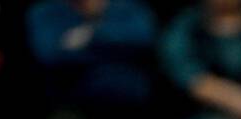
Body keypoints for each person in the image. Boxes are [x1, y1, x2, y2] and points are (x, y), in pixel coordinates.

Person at [27, 0, 157, 107]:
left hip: (130, 97)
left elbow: (144, 39)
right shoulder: (45, 12)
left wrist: (91, 37)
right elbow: (49, 54)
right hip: (69, 100)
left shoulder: (128, 7)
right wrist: (113, 49)